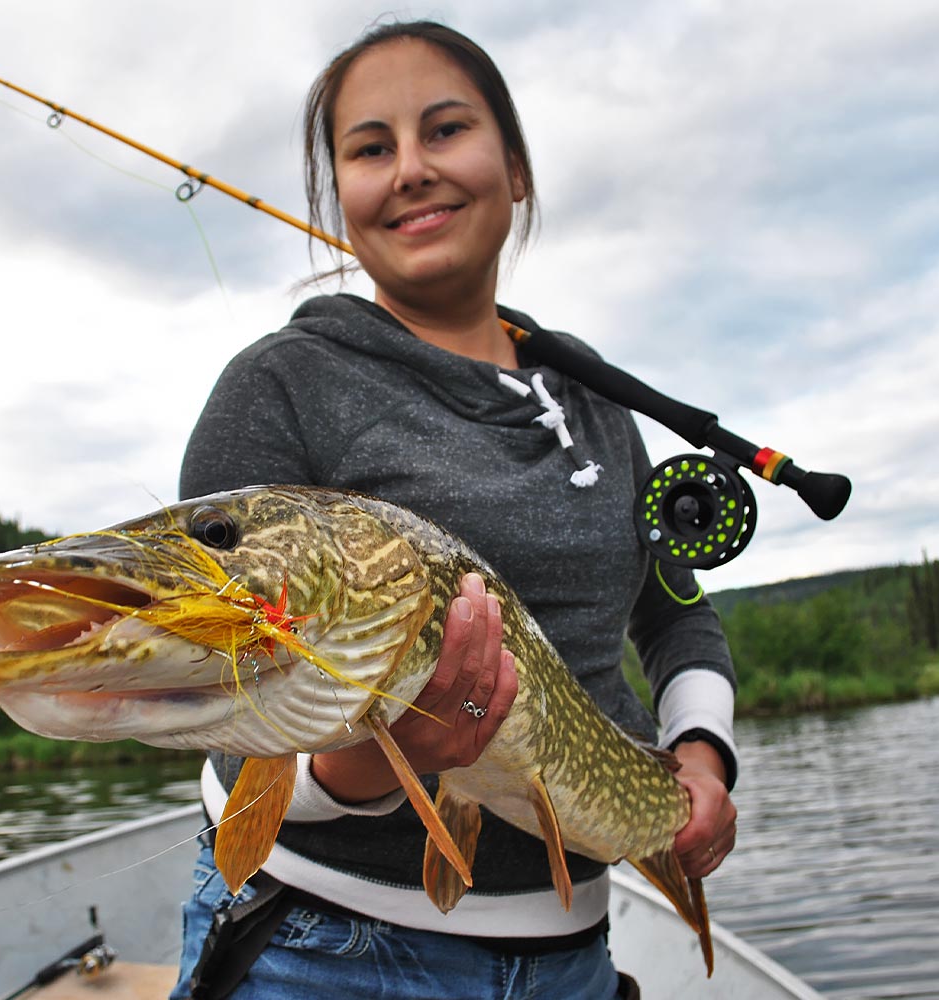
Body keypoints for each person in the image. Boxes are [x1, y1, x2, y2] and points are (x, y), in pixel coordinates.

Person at [170, 20, 738, 1000]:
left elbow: (672, 609)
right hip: (321, 950)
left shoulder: (600, 409)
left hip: (573, 957)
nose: (411, 170)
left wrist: (700, 756)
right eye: (371, 148)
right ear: (338, 198)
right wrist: (364, 768)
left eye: (445, 131)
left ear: (515, 169)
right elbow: (228, 685)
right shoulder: (281, 385)